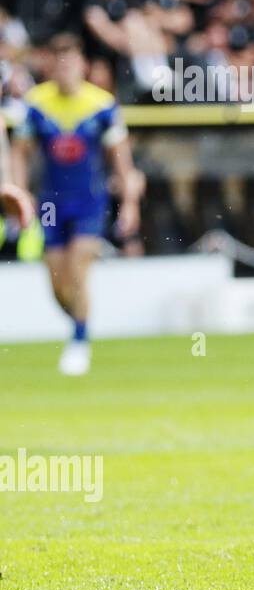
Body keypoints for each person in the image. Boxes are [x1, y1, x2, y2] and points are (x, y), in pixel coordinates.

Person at [9, 34, 142, 375]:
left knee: (79, 267)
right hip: (51, 204)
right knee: (57, 281)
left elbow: (121, 159)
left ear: (82, 64)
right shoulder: (36, 104)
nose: (66, 69)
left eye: (71, 61)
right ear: (52, 66)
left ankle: (79, 341)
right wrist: (19, 193)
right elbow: (20, 154)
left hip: (89, 201)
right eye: (60, 62)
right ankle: (81, 321)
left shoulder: (102, 105)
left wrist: (129, 204)